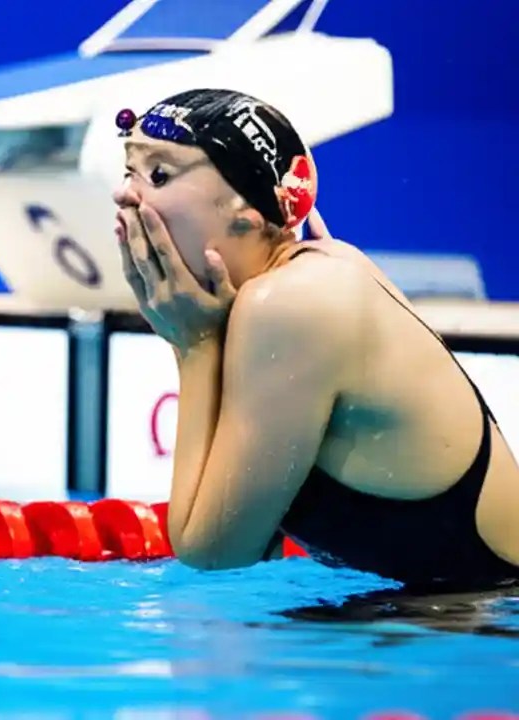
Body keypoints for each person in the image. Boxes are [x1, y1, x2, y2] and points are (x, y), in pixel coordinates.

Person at [111, 88, 519, 590]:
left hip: (490, 627)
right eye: (129, 172)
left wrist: (191, 347)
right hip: (434, 615)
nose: (126, 196)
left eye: (160, 175)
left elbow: (213, 552)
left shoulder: (294, 304)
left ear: (248, 207)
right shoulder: (307, 277)